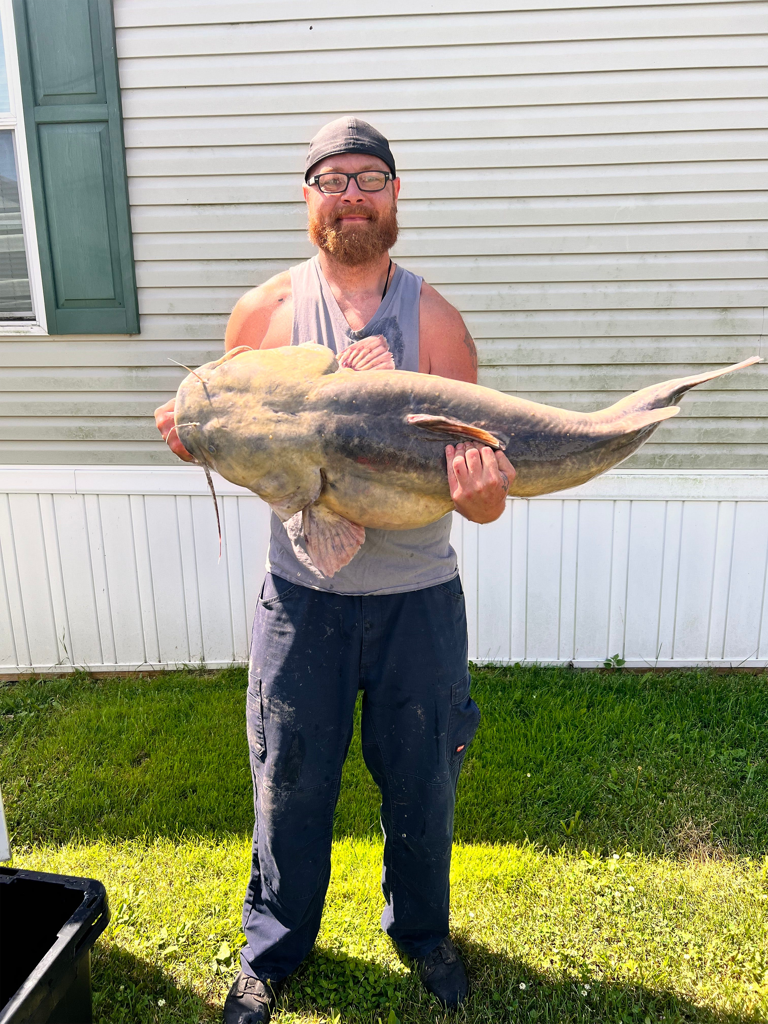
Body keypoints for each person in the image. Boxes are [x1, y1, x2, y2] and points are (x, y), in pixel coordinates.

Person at [155, 117, 515, 1024]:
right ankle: (275, 949)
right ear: (307, 198)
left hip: (417, 601)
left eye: (369, 178)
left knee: (425, 778)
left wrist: (480, 488)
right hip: (300, 601)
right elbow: (236, 435)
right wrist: (190, 436)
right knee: (290, 781)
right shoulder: (263, 315)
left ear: (395, 196)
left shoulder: (435, 319)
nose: (351, 195)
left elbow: (486, 499)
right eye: (332, 179)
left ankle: (424, 934)